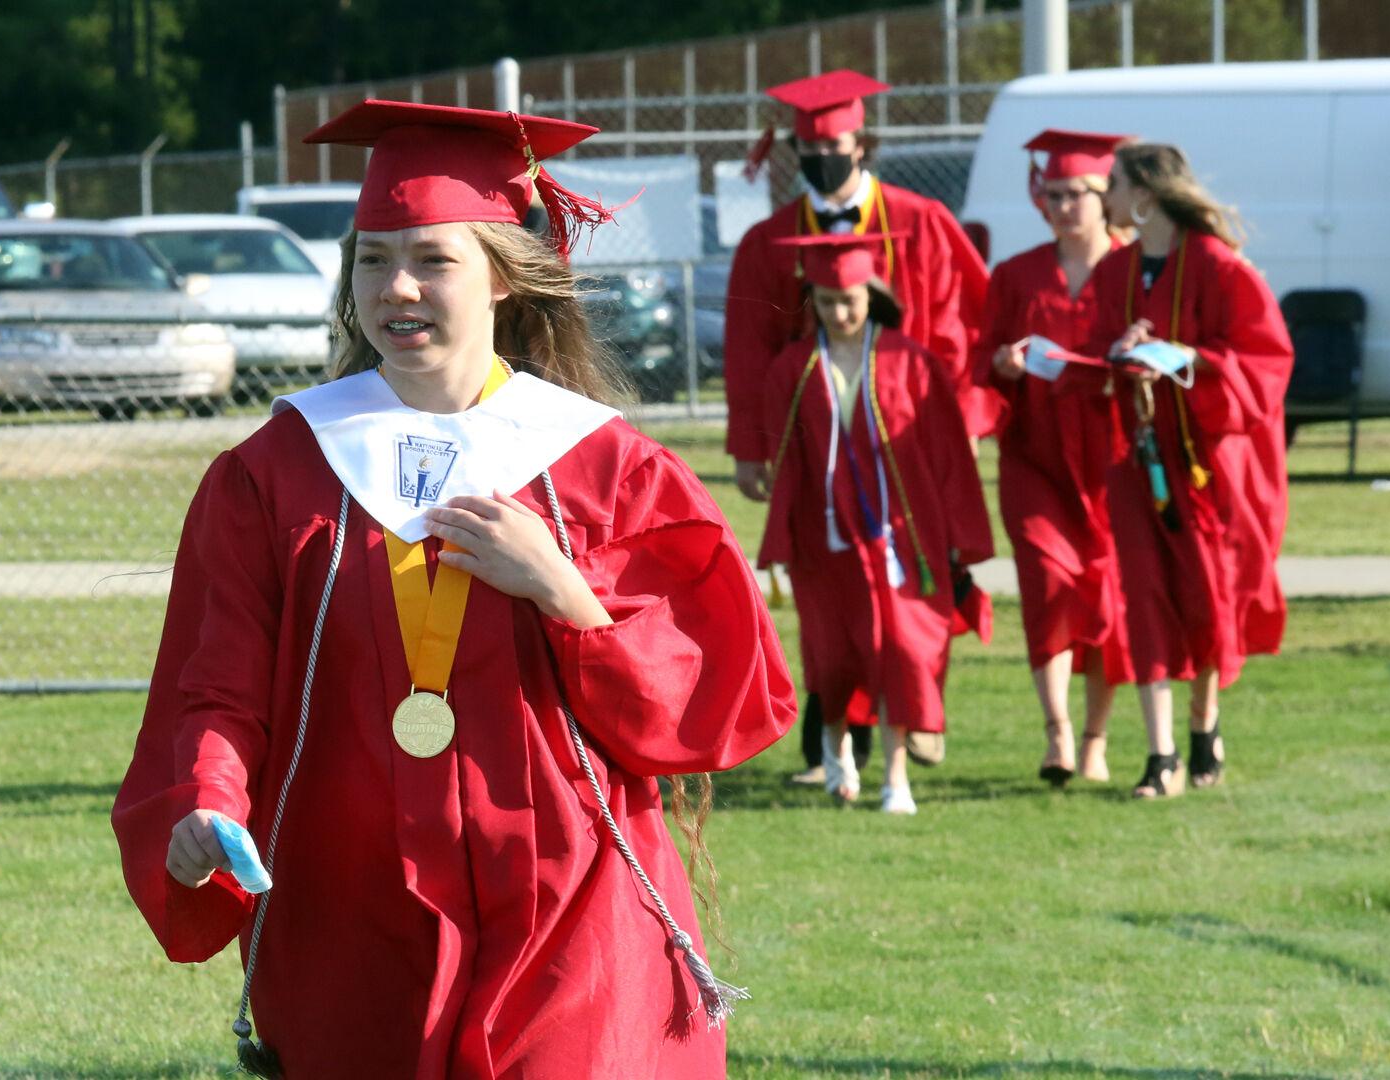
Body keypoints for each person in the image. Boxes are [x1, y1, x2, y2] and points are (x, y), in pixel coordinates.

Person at [110, 100, 798, 1078]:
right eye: (373, 259)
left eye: (433, 259)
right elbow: (213, 688)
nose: (398, 288)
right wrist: (205, 804)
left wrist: (567, 593)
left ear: (504, 277)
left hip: (570, 908)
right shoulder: (277, 474)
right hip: (352, 911)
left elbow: (714, 698)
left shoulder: (606, 470)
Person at [722, 69, 991, 784]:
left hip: (910, 443)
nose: (822, 160)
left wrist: (963, 416)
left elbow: (970, 322)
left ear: (862, 142)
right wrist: (752, 448)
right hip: (821, 448)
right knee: (830, 591)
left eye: (834, 146)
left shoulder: (923, 220)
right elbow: (750, 351)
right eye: (809, 151)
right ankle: (837, 749)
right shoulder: (769, 240)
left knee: (916, 587)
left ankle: (912, 717)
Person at [1078, 141, 1293, 798]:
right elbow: (1094, 354)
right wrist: (1103, 358)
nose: (1101, 197)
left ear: (1144, 194)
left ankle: (1204, 728)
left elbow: (1262, 364)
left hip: (1204, 470)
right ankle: (1161, 754)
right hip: (1137, 463)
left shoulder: (1222, 270)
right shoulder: (1114, 275)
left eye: (1110, 184)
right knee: (1142, 597)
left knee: (1206, 597)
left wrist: (1178, 358)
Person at [757, 232, 993, 814]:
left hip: (900, 535)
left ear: (872, 293)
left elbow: (947, 455)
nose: (840, 312)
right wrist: (781, 537)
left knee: (902, 652)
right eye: (828, 299)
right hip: (825, 538)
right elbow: (785, 460)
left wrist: (958, 538)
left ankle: (896, 779)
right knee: (834, 654)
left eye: (851, 300)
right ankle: (835, 747)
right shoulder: (794, 366)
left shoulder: (910, 362)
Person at [976, 129, 1136, 786]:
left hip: (1114, 463)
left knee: (1109, 603)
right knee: (1047, 589)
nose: (1067, 205)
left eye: (1081, 193)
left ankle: (1097, 738)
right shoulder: (1015, 275)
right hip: (1035, 460)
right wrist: (1004, 365)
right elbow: (981, 356)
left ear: (1107, 198)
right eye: (1056, 193)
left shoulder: (1134, 273)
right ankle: (1058, 734)